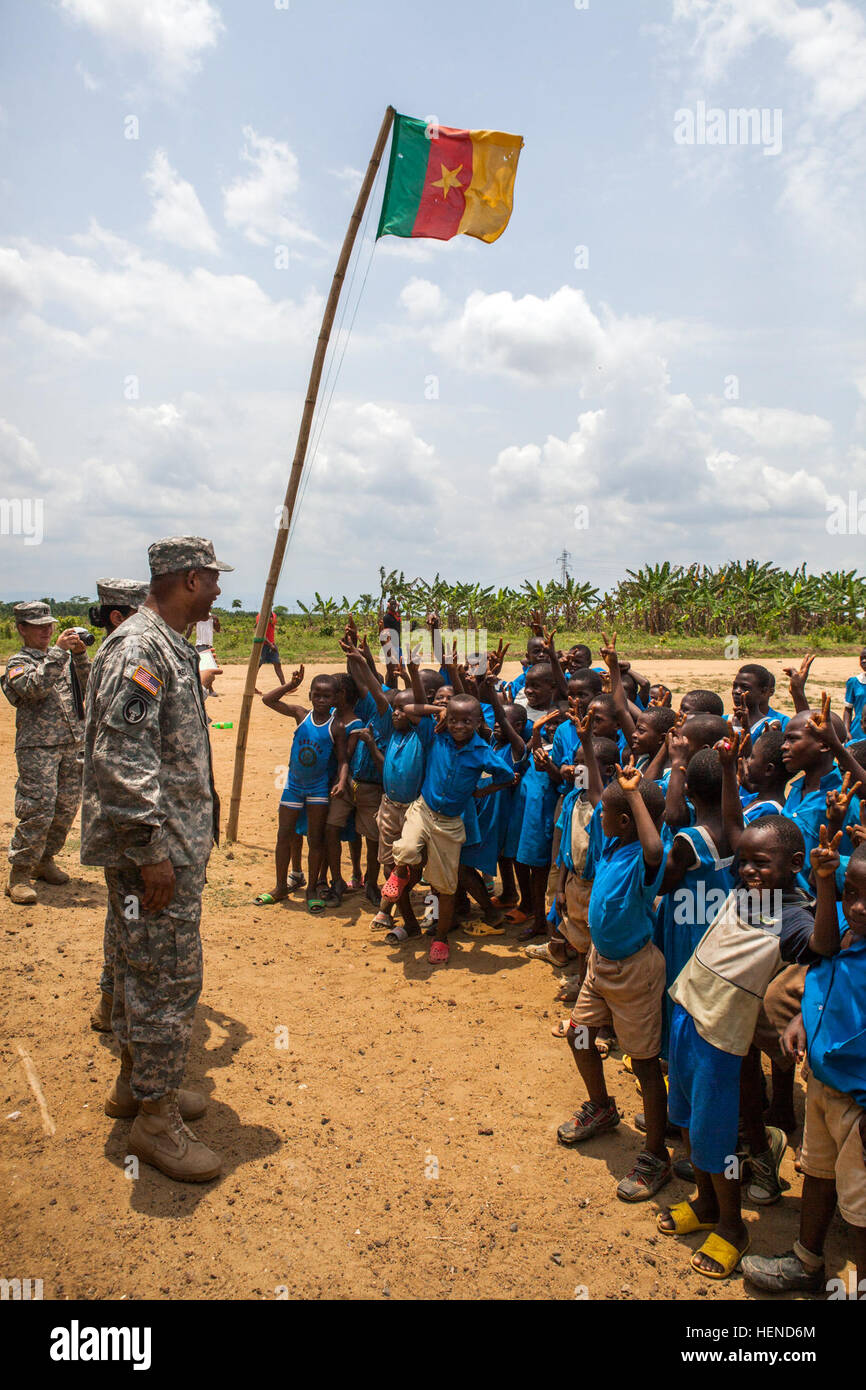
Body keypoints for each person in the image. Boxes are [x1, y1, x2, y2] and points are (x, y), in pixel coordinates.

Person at [81, 535, 232, 1183]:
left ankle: (136, 1087)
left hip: (168, 845)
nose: (220, 590)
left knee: (144, 966)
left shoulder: (165, 643)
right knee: (167, 979)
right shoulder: (142, 647)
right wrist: (152, 852)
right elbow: (123, 759)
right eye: (213, 579)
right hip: (155, 852)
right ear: (189, 579)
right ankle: (156, 1118)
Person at [658, 816, 822, 1277]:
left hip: (721, 1040)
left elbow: (819, 946)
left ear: (794, 865)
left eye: (760, 863)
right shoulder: (747, 886)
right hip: (687, 1015)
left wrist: (825, 885)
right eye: (744, 862)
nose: (747, 870)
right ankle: (705, 1204)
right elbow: (733, 833)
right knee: (689, 1122)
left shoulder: (791, 913)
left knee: (719, 1142)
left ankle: (732, 1227)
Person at [742, 839, 866, 1294]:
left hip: (859, 1104)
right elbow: (823, 970)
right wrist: (803, 1017)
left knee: (860, 1210)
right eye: (850, 893)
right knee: (817, 1172)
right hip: (823, 1087)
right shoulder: (843, 933)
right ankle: (806, 1261)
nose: (858, 907)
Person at [557, 764, 671, 1202]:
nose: (596, 817)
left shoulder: (644, 860)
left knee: (644, 1064)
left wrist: (634, 795)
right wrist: (621, 783)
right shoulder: (612, 844)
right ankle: (602, 1107)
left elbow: (656, 846)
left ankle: (655, 1153)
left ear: (625, 820)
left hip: (635, 972)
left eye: (604, 812)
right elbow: (605, 796)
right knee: (579, 1035)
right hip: (601, 965)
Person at [381, 694, 515, 965]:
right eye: (453, 719)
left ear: (478, 722)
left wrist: (482, 791)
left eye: (466, 721)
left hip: (450, 824)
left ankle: (441, 938)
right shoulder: (436, 734)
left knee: (446, 885)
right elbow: (408, 708)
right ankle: (400, 874)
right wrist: (439, 709)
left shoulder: (481, 752)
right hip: (423, 809)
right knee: (406, 849)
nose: (458, 726)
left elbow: (507, 776)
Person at [87, 577, 151, 1032]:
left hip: (120, 821)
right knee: (132, 916)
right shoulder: (131, 654)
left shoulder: (111, 652)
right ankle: (121, 1009)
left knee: (123, 912)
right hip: (129, 825)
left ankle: (110, 1000)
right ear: (119, 615)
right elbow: (123, 754)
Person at [2, 601, 92, 905]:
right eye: (38, 626)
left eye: (49, 625)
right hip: (38, 748)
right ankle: (19, 874)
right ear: (22, 629)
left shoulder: (64, 659)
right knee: (37, 809)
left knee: (66, 808)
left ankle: (45, 860)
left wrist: (79, 656)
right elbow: (33, 688)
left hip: (71, 743)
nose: (46, 630)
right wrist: (58, 652)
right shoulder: (18, 662)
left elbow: (90, 686)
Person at [255, 670, 348, 914]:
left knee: (315, 839)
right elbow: (268, 700)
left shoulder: (336, 726)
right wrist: (290, 684)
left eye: (327, 696)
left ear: (335, 698)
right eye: (316, 695)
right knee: (283, 834)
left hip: (318, 788)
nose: (321, 700)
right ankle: (280, 887)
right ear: (310, 695)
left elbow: (342, 760)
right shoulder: (301, 714)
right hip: (293, 786)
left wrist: (341, 780)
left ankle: (311, 891)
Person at [256, 609, 285, 687]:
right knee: (257, 666)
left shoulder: (274, 615)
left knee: (277, 664)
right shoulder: (260, 616)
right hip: (262, 645)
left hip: (271, 644)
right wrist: (270, 645)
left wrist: (272, 644)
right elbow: (260, 633)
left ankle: (284, 687)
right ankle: (251, 687)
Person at [843, 647, 866, 740]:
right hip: (859, 729)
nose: (864, 661)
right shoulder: (854, 682)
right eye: (862, 658)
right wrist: (846, 731)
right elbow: (848, 709)